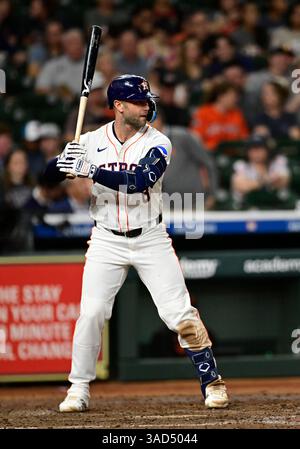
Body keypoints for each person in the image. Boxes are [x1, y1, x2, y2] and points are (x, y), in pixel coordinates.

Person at [44, 74, 229, 412]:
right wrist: (62, 163)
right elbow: (45, 179)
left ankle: (212, 383)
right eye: (138, 102)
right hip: (105, 239)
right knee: (91, 313)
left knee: (179, 313)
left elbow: (140, 180)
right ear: (118, 106)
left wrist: (92, 171)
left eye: (147, 101)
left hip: (150, 238)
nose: (146, 106)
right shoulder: (90, 140)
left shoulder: (159, 141)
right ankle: (78, 389)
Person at [231, 134, 293, 209]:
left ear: (267, 150)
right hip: (246, 209)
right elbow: (241, 186)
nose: (256, 152)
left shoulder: (277, 162)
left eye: (260, 148)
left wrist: (256, 183)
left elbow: (284, 181)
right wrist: (266, 180)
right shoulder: (241, 165)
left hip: (276, 207)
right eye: (252, 149)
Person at [190, 81, 249, 152]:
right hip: (210, 154)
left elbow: (244, 138)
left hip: (233, 155)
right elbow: (195, 138)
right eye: (232, 96)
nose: (235, 100)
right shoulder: (203, 113)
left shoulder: (237, 114)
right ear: (220, 96)